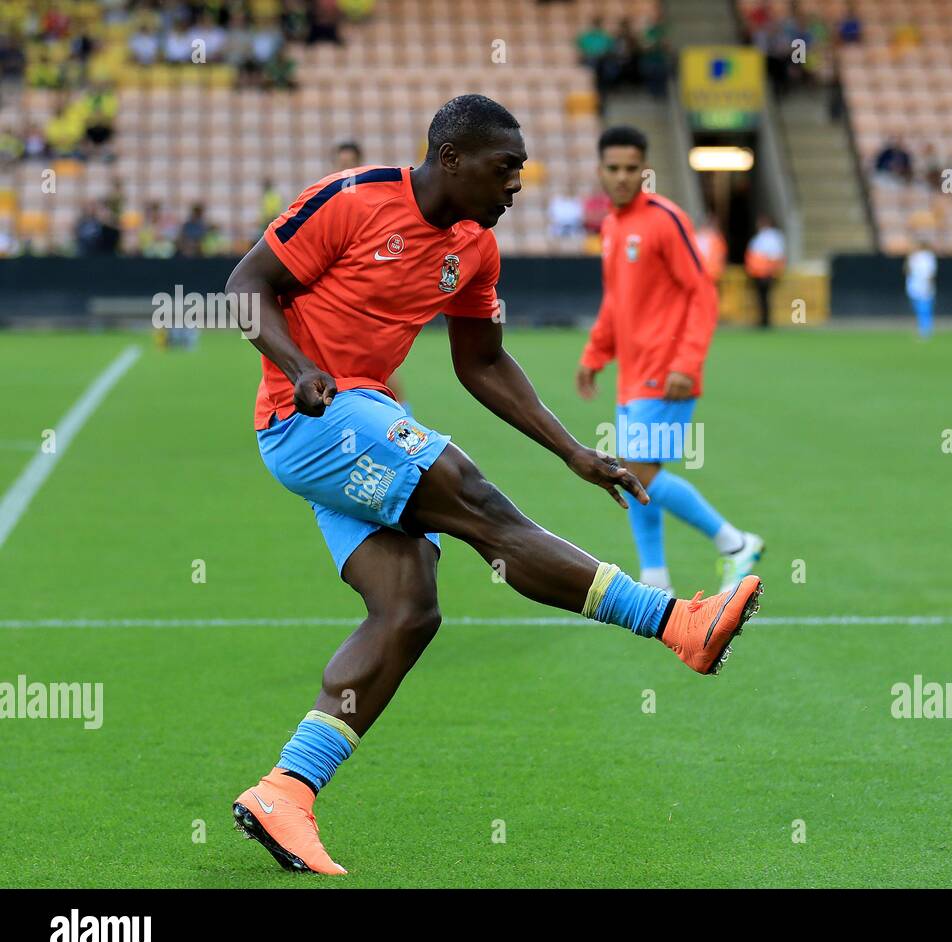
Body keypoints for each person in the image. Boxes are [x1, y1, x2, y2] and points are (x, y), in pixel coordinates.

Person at [224, 96, 762, 875]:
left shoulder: (475, 248)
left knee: (409, 608)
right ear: (451, 158)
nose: (517, 185)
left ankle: (286, 790)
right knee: (476, 502)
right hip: (308, 416)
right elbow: (246, 282)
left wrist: (572, 449)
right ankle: (676, 622)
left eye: (520, 170)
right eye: (504, 168)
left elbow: (481, 363)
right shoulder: (352, 199)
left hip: (358, 415)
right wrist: (301, 366)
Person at [576, 126, 764, 597]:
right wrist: (596, 354)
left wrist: (687, 361)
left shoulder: (663, 218)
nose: (622, 177)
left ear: (645, 171)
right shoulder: (614, 227)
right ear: (600, 171)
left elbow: (701, 292)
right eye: (613, 168)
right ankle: (655, 578)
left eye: (631, 168)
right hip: (631, 375)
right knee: (637, 474)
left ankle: (736, 543)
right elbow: (617, 300)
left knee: (636, 472)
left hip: (666, 372)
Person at [744, 214, 785, 328]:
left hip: (766, 273)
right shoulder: (761, 237)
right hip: (758, 272)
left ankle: (766, 320)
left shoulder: (771, 237)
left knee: (764, 297)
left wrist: (773, 270)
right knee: (761, 297)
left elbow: (774, 255)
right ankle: (763, 319)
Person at [905, 239, 937, 339]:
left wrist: (929, 284)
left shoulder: (928, 257)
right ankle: (923, 328)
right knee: (920, 308)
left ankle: (925, 330)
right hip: (915, 285)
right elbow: (907, 270)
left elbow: (930, 272)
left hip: (923, 285)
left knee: (924, 308)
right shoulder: (914, 257)